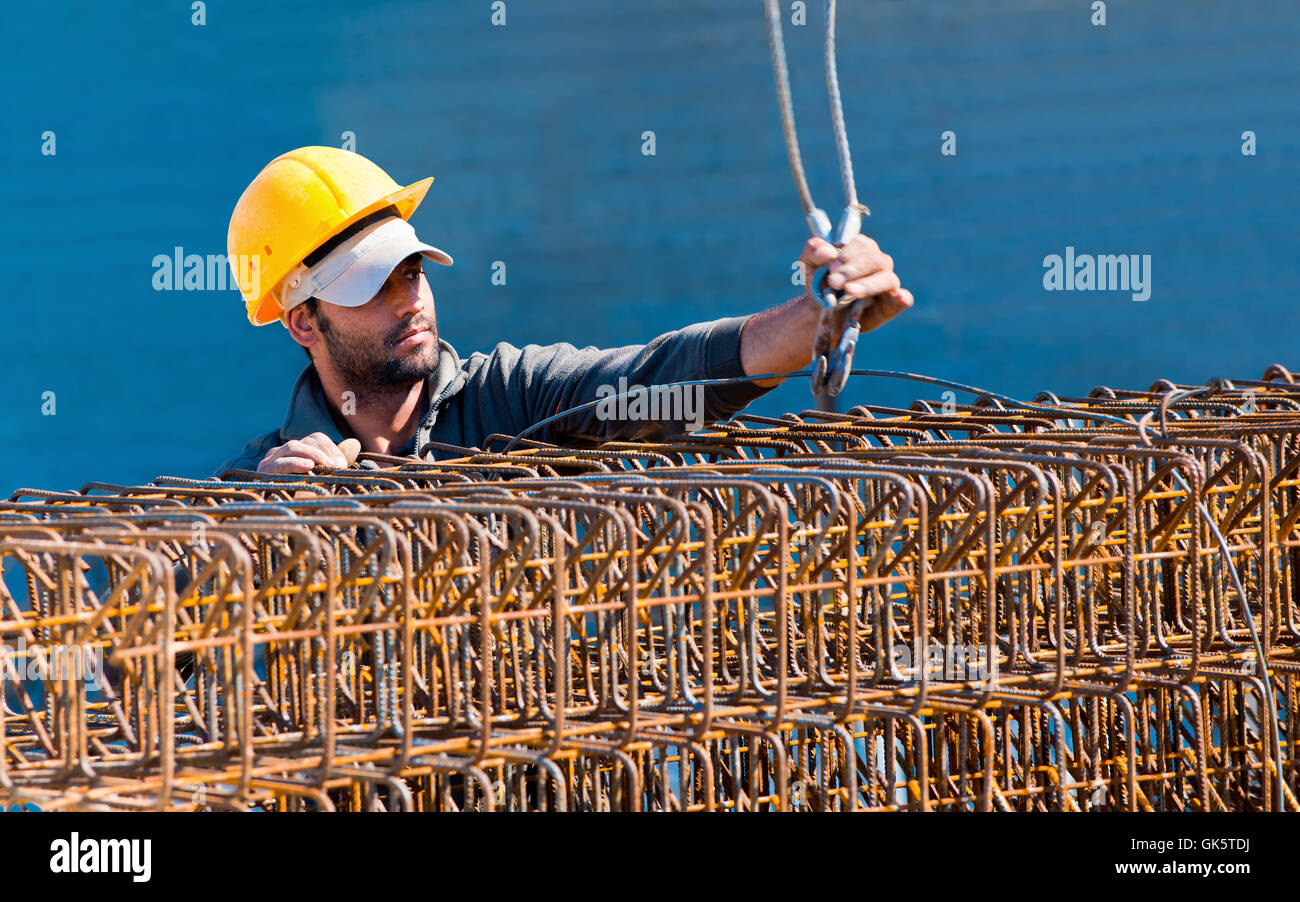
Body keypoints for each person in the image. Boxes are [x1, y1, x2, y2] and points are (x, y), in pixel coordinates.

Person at [217, 147, 912, 476]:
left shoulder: (513, 400)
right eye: (371, 286)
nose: (410, 299)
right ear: (303, 321)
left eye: (412, 270)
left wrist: (809, 321)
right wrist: (270, 533)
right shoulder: (257, 481)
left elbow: (655, 383)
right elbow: (145, 657)